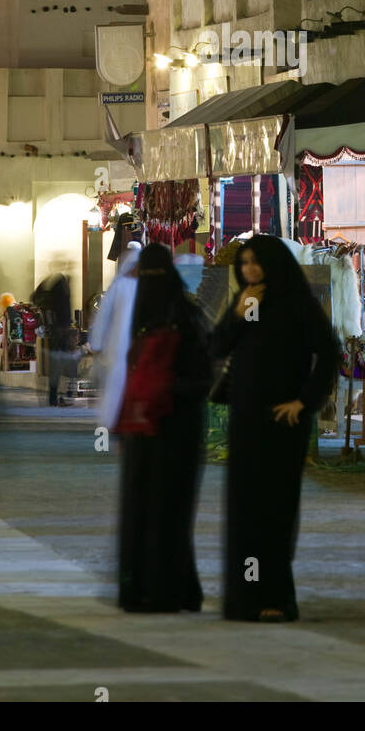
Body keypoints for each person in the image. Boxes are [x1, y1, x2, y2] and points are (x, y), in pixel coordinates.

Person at [212, 234, 341, 622]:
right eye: (245, 263)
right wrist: (239, 312)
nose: (250, 269)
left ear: (273, 264)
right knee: (244, 508)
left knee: (276, 508)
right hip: (246, 420)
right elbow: (216, 347)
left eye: (256, 262)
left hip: (283, 424)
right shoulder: (247, 303)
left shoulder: (297, 304)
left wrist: (305, 401)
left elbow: (330, 353)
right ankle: (244, 598)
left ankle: (277, 597)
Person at [114, 242, 209, 613]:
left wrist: (166, 390)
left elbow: (202, 377)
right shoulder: (174, 312)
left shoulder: (174, 316)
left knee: (164, 510)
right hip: (154, 430)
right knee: (155, 510)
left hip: (172, 430)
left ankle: (161, 591)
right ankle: (169, 590)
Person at [89, 240, 142, 429]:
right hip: (119, 345)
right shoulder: (120, 286)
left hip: (131, 345)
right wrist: (96, 343)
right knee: (118, 383)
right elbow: (103, 317)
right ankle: (113, 422)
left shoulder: (139, 286)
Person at [32, 270, 73, 406]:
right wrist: (60, 327)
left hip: (58, 331)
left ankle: (58, 396)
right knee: (59, 364)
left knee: (60, 364)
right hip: (59, 333)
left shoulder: (54, 294)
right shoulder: (59, 294)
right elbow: (63, 312)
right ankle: (57, 397)